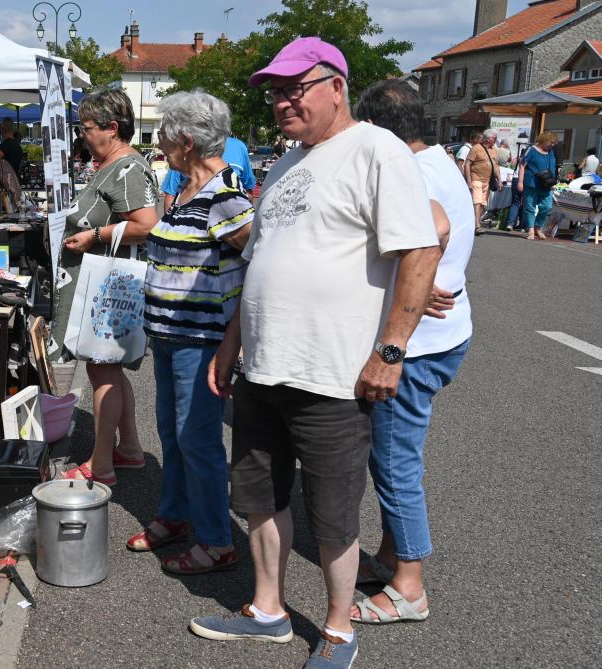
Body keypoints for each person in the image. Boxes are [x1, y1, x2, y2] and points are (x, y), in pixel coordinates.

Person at [191, 38, 441, 669]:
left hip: (332, 374)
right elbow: (259, 264)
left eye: (293, 88)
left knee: (332, 512)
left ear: (336, 85)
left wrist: (391, 350)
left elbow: (419, 248)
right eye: (275, 92)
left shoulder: (376, 149)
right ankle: (269, 610)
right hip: (263, 366)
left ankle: (336, 629)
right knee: (259, 496)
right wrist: (232, 343)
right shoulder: (284, 164)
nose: (281, 102)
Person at [352, 78, 474, 625]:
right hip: (444, 339)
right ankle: (388, 554)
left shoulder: (409, 173)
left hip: (415, 347)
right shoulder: (443, 161)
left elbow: (437, 228)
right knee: (396, 455)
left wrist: (418, 283)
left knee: (396, 462)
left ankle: (409, 585)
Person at [127, 91, 252, 575]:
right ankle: (174, 516)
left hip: (201, 343)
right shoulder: (183, 190)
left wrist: (231, 342)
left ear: (184, 140)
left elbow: (259, 263)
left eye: (161, 132)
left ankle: (217, 540)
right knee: (172, 434)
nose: (157, 139)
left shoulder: (224, 197)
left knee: (198, 438)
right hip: (170, 336)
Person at [55, 87, 160, 486]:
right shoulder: (111, 166)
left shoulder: (128, 168)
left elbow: (147, 225)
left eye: (87, 128)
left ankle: (101, 464)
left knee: (102, 371)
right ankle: (129, 449)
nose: (82, 135)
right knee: (109, 369)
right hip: (103, 287)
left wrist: (96, 234)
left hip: (107, 290)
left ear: (112, 129)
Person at [161, 138, 256, 212]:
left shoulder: (238, 146)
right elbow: (171, 195)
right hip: (189, 225)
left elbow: (248, 190)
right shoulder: (187, 147)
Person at [516, 131, 559, 240]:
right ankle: (531, 230)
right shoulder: (532, 150)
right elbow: (522, 166)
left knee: (547, 206)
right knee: (530, 207)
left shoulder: (550, 152)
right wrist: (520, 182)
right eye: (552, 142)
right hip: (532, 183)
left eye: (554, 143)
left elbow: (553, 167)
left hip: (546, 184)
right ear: (545, 140)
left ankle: (537, 227)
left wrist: (553, 181)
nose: (553, 145)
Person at [463, 129, 500, 235]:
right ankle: (477, 225)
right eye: (494, 138)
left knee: (483, 204)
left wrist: (500, 180)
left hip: (487, 181)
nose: (496, 140)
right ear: (488, 138)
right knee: (477, 201)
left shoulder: (494, 150)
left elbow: (496, 166)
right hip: (476, 179)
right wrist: (469, 181)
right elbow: (467, 164)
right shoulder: (476, 148)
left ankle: (475, 223)